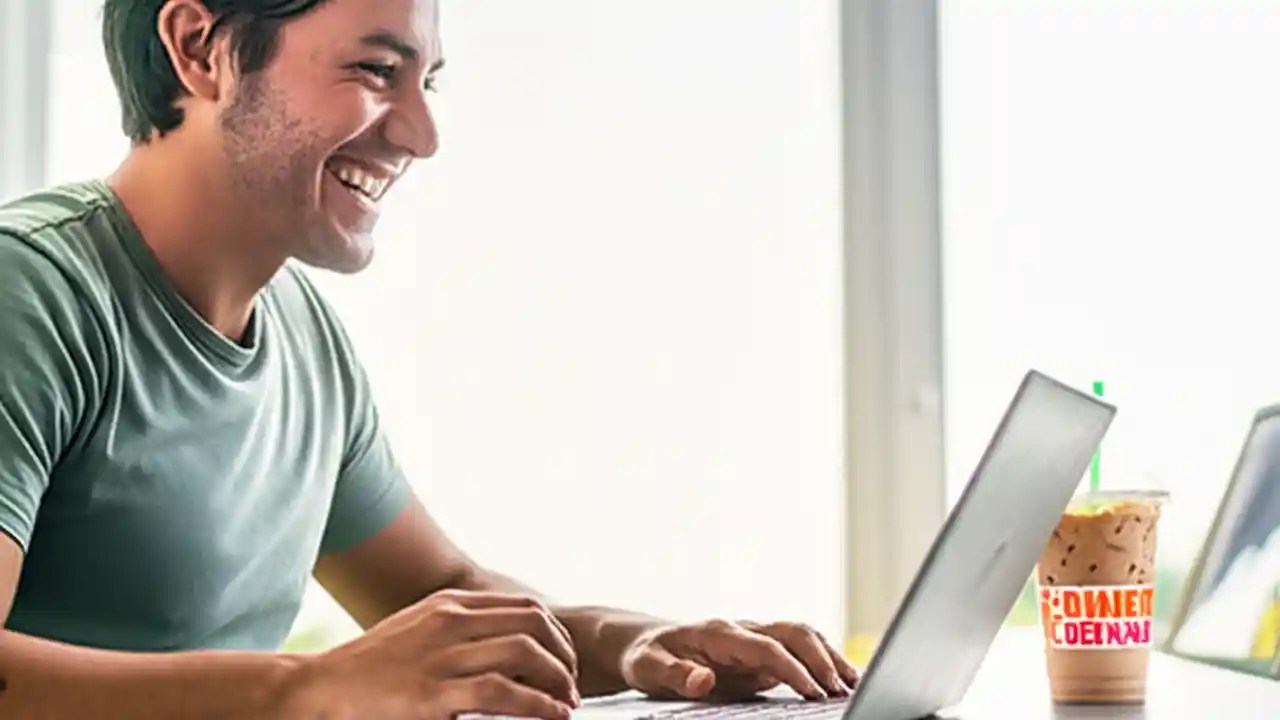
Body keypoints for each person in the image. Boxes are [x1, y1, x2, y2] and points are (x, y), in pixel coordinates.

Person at [0, 1, 859, 717]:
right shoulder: (30, 293)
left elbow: (437, 593)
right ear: (200, 48)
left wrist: (639, 643)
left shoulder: (303, 335)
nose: (422, 132)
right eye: (377, 72)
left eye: (427, 82)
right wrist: (310, 688)